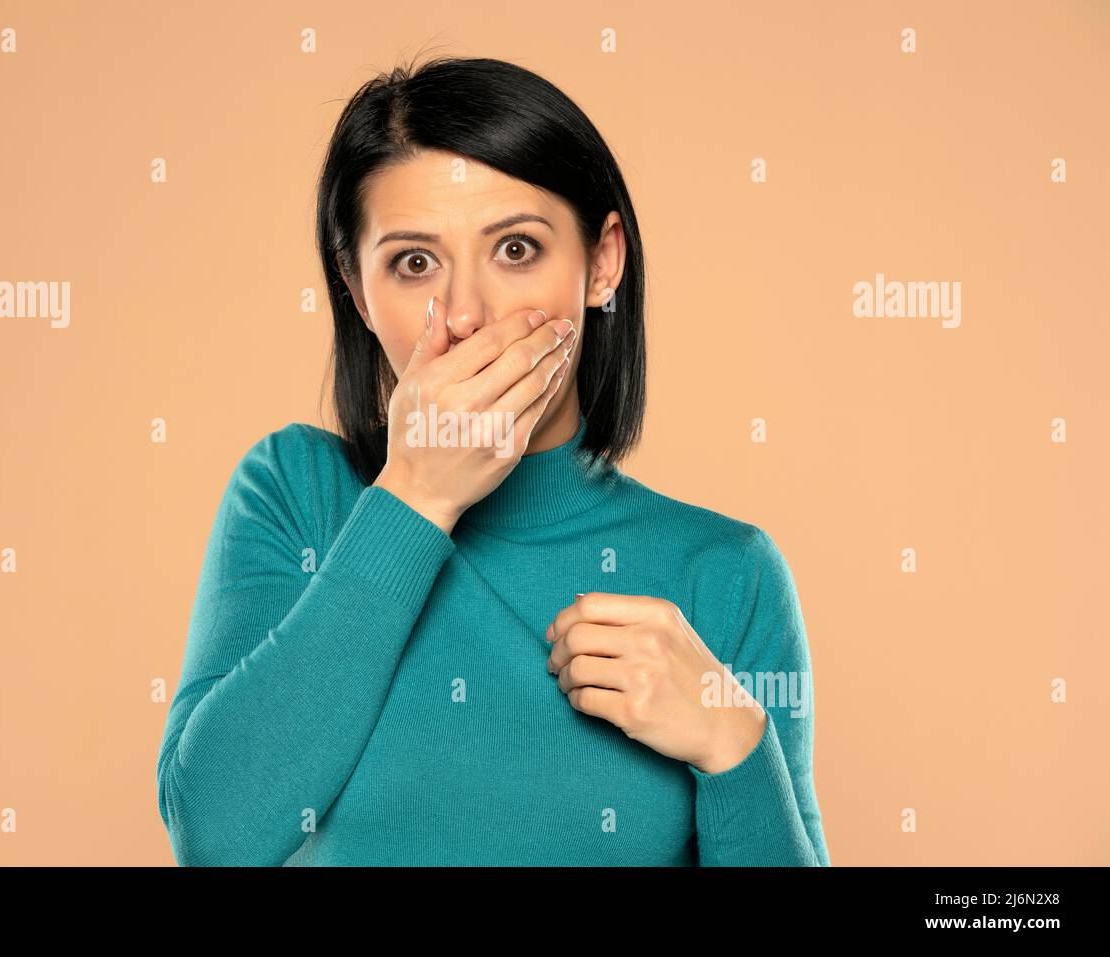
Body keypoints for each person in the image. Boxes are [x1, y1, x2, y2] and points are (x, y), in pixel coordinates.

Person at [155, 53, 831, 866]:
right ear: (358, 291)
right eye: (414, 263)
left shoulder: (727, 571)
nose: (468, 314)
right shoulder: (297, 494)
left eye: (515, 249)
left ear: (602, 262)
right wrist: (414, 497)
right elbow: (216, 841)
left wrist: (733, 740)